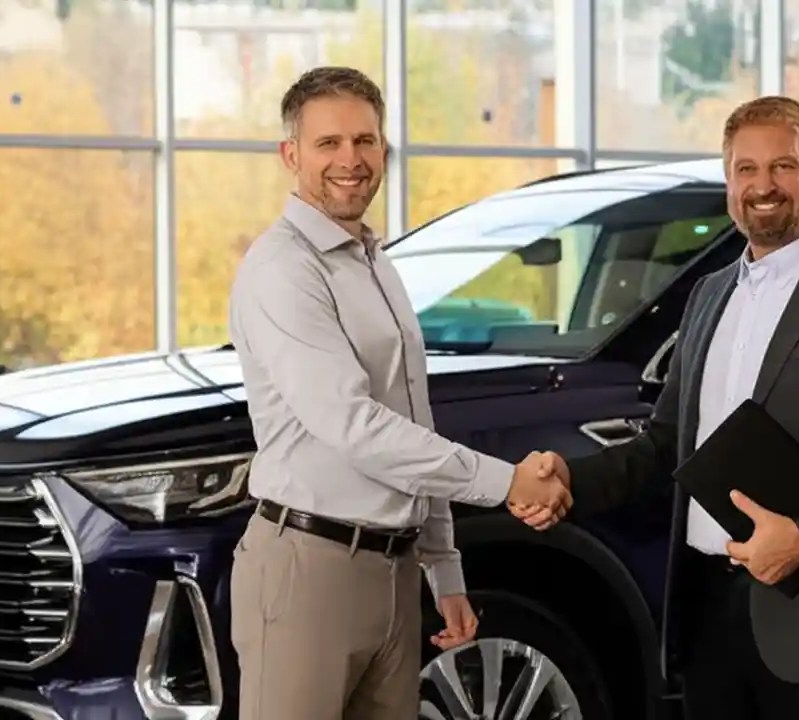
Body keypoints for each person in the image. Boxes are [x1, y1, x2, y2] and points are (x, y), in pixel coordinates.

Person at [514, 96, 799, 719]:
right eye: (746, 170)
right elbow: (668, 441)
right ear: (729, 181)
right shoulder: (708, 294)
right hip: (707, 616)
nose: (763, 186)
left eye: (783, 167)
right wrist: (571, 478)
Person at [226, 66, 571, 720]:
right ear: (290, 155)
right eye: (328, 144)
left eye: (365, 141)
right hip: (310, 572)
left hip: (393, 570)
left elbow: (412, 416)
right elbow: (355, 427)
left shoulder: (372, 260)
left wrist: (443, 568)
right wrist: (508, 483)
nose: (351, 161)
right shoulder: (283, 271)